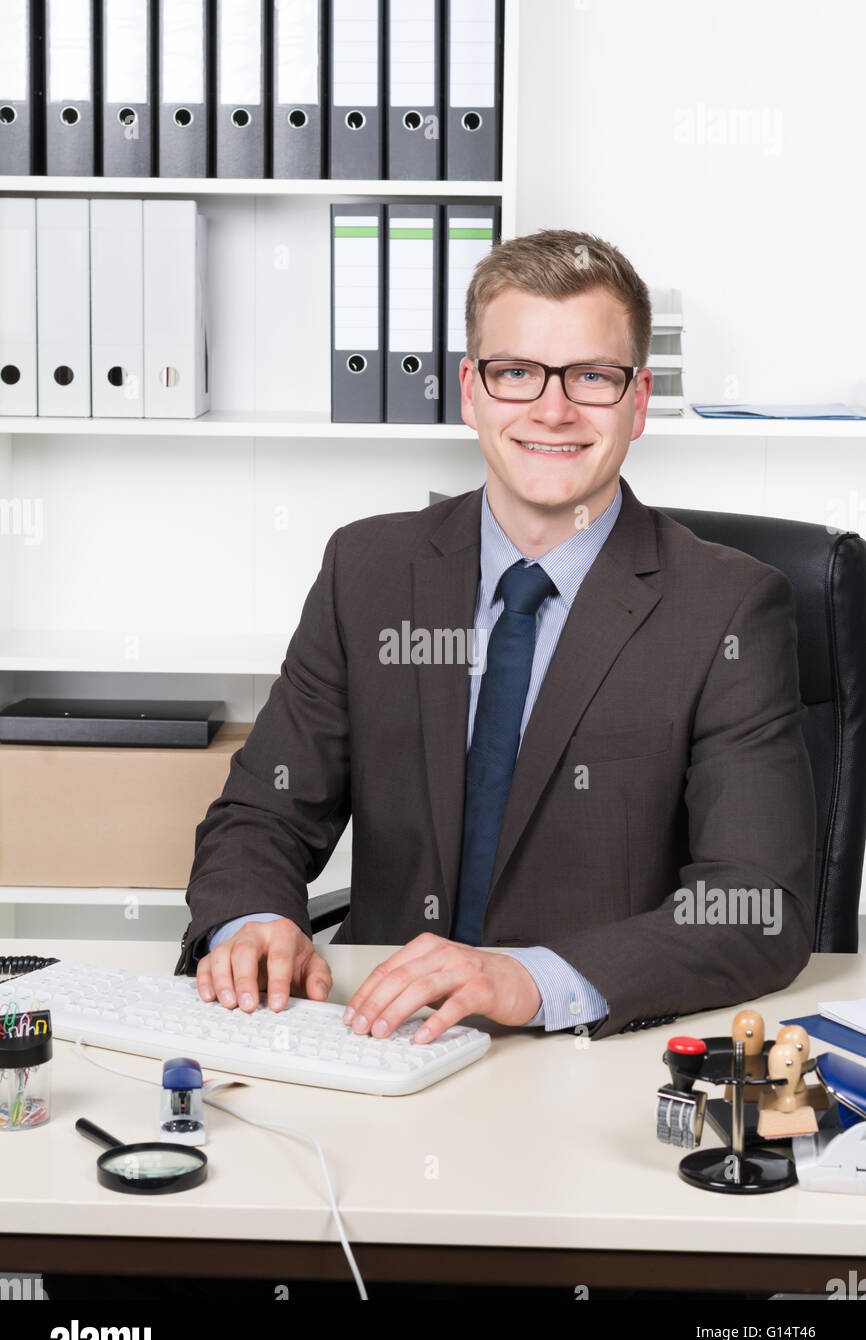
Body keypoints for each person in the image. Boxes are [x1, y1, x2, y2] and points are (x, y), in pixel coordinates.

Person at [174, 228, 816, 1044]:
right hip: (383, 1038)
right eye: (517, 373)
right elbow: (264, 813)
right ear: (472, 391)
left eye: (591, 376)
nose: (553, 409)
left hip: (590, 1055)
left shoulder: (727, 606)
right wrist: (252, 923)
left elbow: (756, 902)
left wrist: (530, 977)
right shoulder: (367, 570)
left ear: (639, 401)